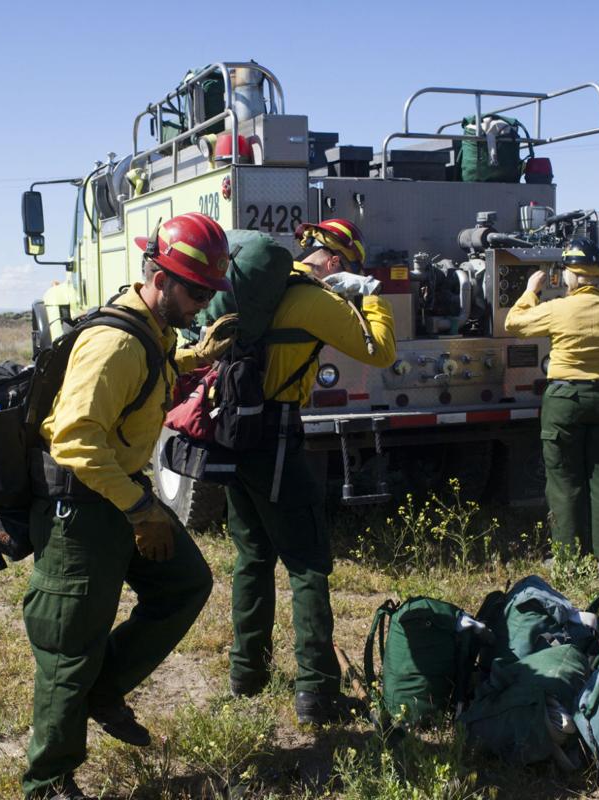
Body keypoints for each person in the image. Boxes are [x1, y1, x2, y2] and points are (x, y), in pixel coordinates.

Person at [21, 212, 237, 800]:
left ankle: (104, 688)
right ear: (160, 276)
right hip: (84, 504)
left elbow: (149, 372)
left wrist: (195, 357)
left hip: (118, 490)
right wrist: (142, 511)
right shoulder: (115, 341)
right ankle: (47, 782)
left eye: (208, 294)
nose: (200, 304)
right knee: (70, 646)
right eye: (195, 291)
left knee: (184, 583)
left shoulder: (151, 327)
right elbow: (73, 439)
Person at [226, 217, 396, 724]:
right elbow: (379, 351)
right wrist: (372, 297)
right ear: (339, 263)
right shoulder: (316, 300)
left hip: (237, 432)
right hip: (277, 434)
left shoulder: (261, 290)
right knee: (308, 563)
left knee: (252, 555)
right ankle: (317, 692)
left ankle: (246, 674)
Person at [504, 237, 599, 579]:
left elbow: (514, 324)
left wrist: (531, 290)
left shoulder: (557, 309)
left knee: (564, 479)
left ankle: (567, 558)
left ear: (572, 275)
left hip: (564, 400)